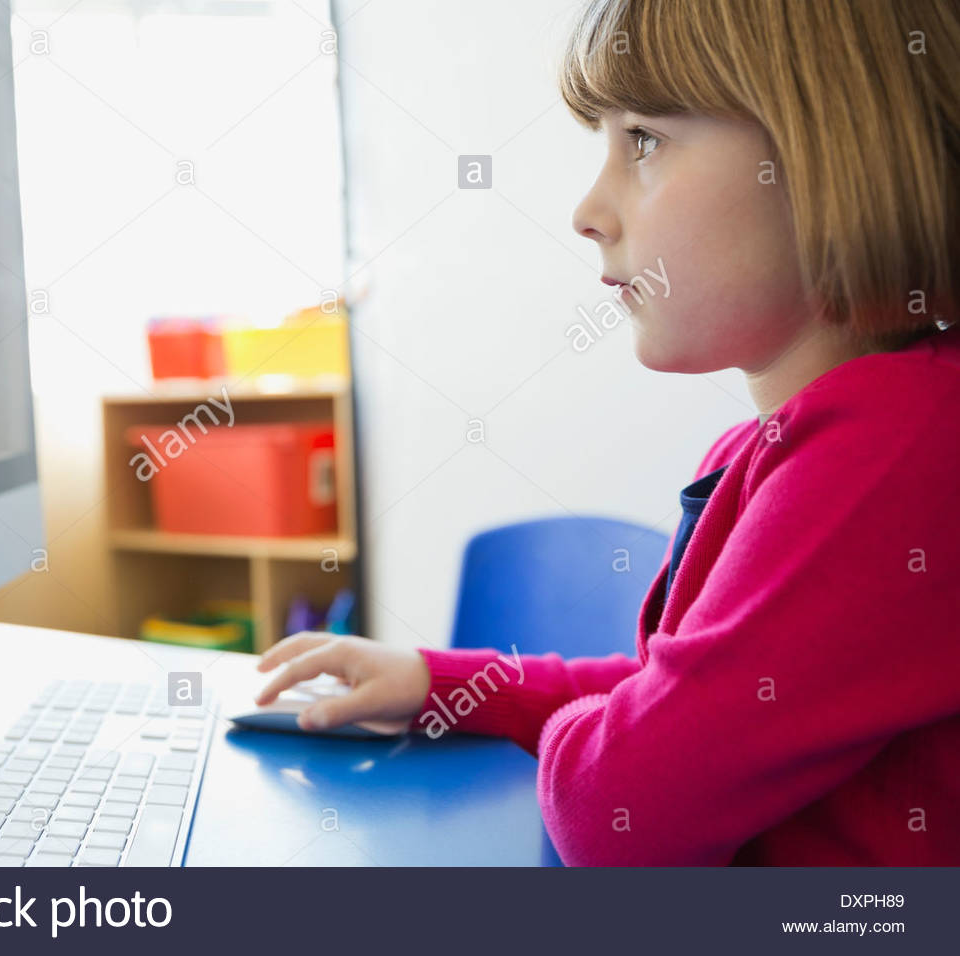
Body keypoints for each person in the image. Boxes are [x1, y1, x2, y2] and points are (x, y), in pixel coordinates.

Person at [255, 0, 960, 865]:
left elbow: (615, 806)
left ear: (835, 153)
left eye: (646, 141)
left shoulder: (898, 449)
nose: (589, 209)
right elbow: (678, 703)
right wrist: (447, 685)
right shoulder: (802, 444)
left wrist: (605, 744)